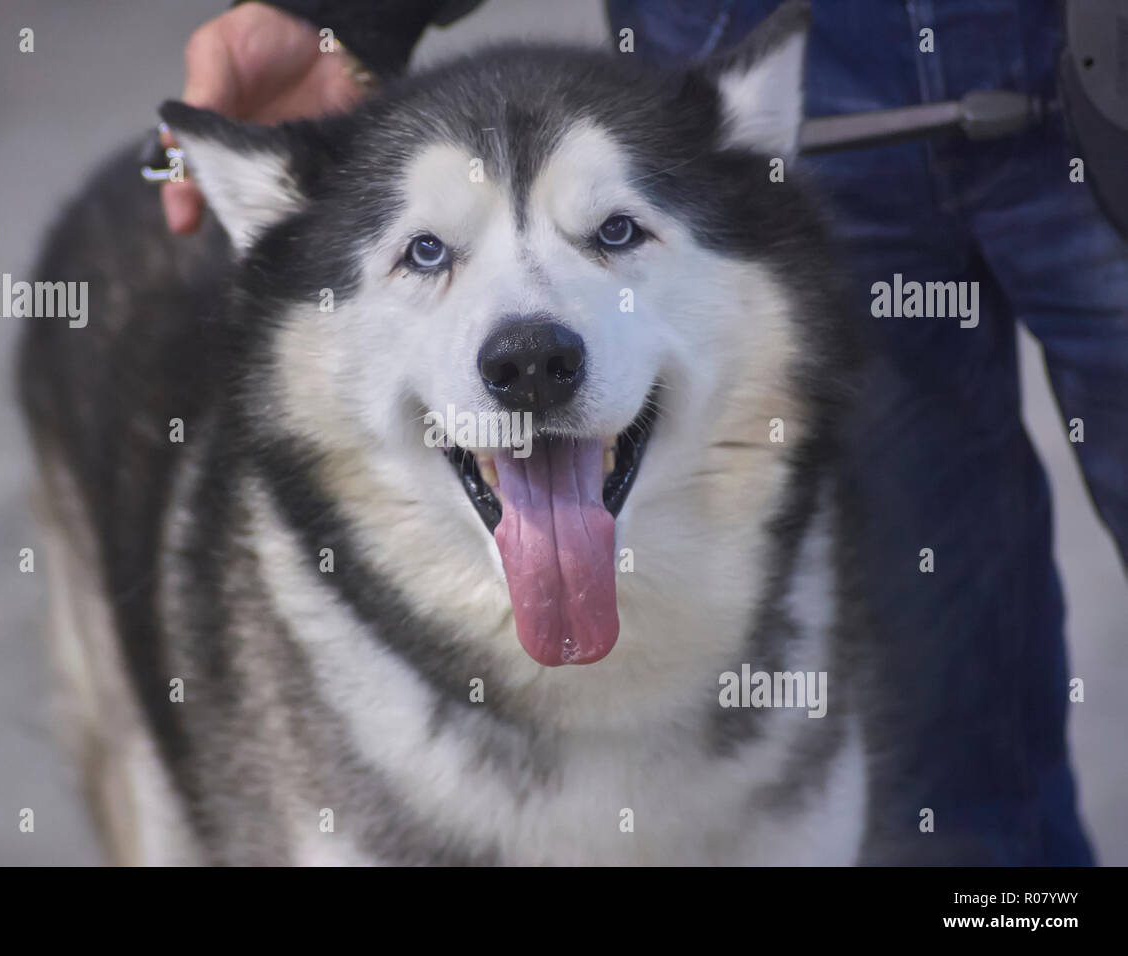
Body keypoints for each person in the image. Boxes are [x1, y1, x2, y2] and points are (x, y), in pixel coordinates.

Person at [160, 0, 1126, 864]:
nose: (527, 340)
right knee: (946, 744)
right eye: (427, 252)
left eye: (612, 232)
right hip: (767, 36)